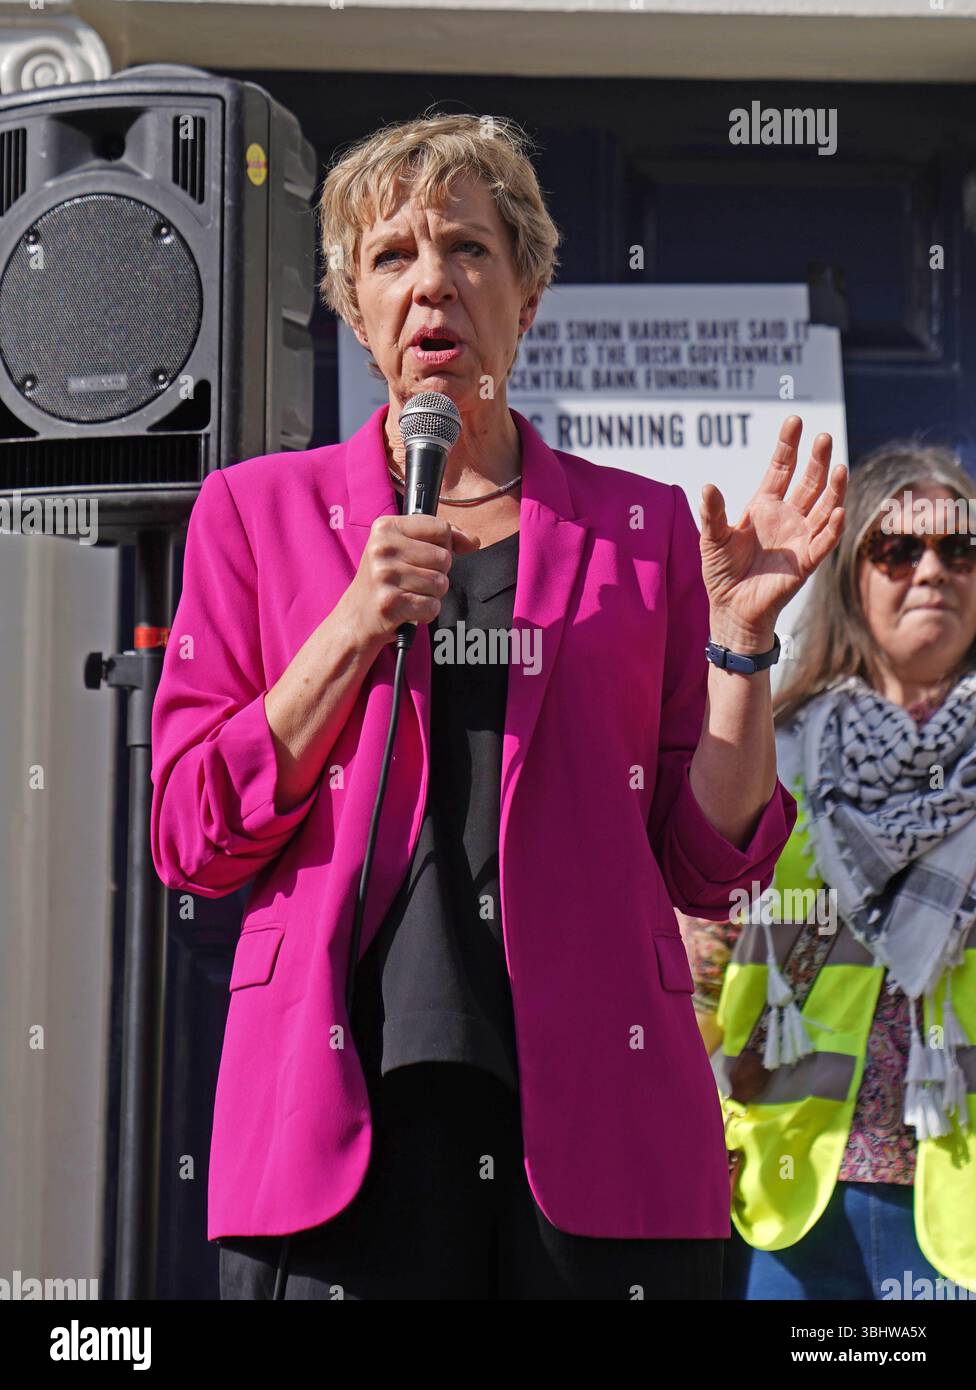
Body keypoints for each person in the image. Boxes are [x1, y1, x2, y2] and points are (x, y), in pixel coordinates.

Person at [149, 111, 846, 1300]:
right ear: (354, 314)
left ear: (526, 295)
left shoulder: (640, 531)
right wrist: (349, 629)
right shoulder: (253, 513)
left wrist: (743, 645)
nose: (432, 283)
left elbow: (709, 863)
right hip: (340, 1111)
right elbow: (191, 835)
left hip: (596, 1123)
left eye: (469, 249)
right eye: (391, 257)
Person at [680, 442, 976, 1299]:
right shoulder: (769, 753)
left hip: (958, 1219)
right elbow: (694, 974)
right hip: (791, 1209)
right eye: (898, 549)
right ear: (852, 578)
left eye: (959, 550)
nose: (931, 571)